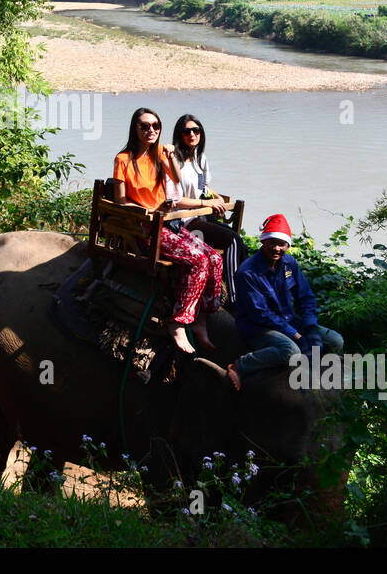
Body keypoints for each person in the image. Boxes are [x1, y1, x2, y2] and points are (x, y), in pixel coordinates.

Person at [112, 107, 222, 354]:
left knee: (214, 257)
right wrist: (145, 211)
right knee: (198, 261)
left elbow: (180, 180)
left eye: (156, 126)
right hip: (148, 226)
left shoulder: (171, 155)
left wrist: (171, 156)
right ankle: (179, 321)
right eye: (145, 126)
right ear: (135, 128)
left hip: (170, 221)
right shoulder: (124, 159)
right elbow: (120, 200)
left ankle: (201, 319)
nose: (151, 130)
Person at [226, 214, 343, 391]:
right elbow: (261, 314)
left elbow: (306, 297)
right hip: (258, 326)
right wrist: (297, 336)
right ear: (263, 242)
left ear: (288, 245)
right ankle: (240, 366)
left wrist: (311, 328)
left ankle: (319, 369)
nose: (276, 248)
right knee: (291, 351)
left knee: (336, 341)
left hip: (288, 320)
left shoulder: (289, 263)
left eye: (281, 244)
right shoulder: (247, 273)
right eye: (271, 242)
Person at [169, 113, 249, 307]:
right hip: (183, 221)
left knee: (241, 245)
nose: (192, 134)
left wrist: (217, 198)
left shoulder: (200, 159)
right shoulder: (174, 162)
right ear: (179, 134)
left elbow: (202, 187)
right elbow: (175, 200)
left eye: (196, 130)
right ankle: (234, 298)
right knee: (232, 240)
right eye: (186, 131)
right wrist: (206, 204)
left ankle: (246, 292)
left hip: (200, 215)